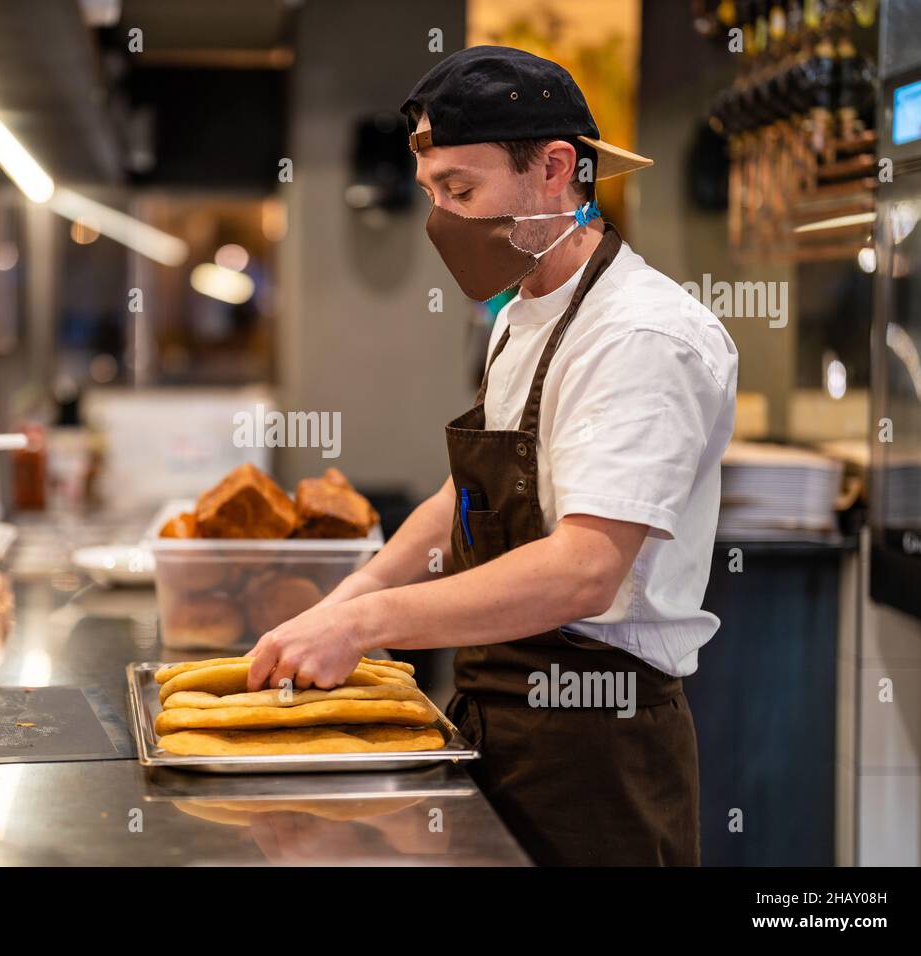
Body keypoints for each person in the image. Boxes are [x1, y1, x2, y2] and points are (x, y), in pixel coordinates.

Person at [247, 46, 737, 866]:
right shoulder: (522, 313)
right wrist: (355, 591)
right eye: (434, 192)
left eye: (462, 191)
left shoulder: (642, 337)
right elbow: (467, 494)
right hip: (495, 713)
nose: (442, 217)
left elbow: (585, 570)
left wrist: (369, 623)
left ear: (555, 170)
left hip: (596, 749)